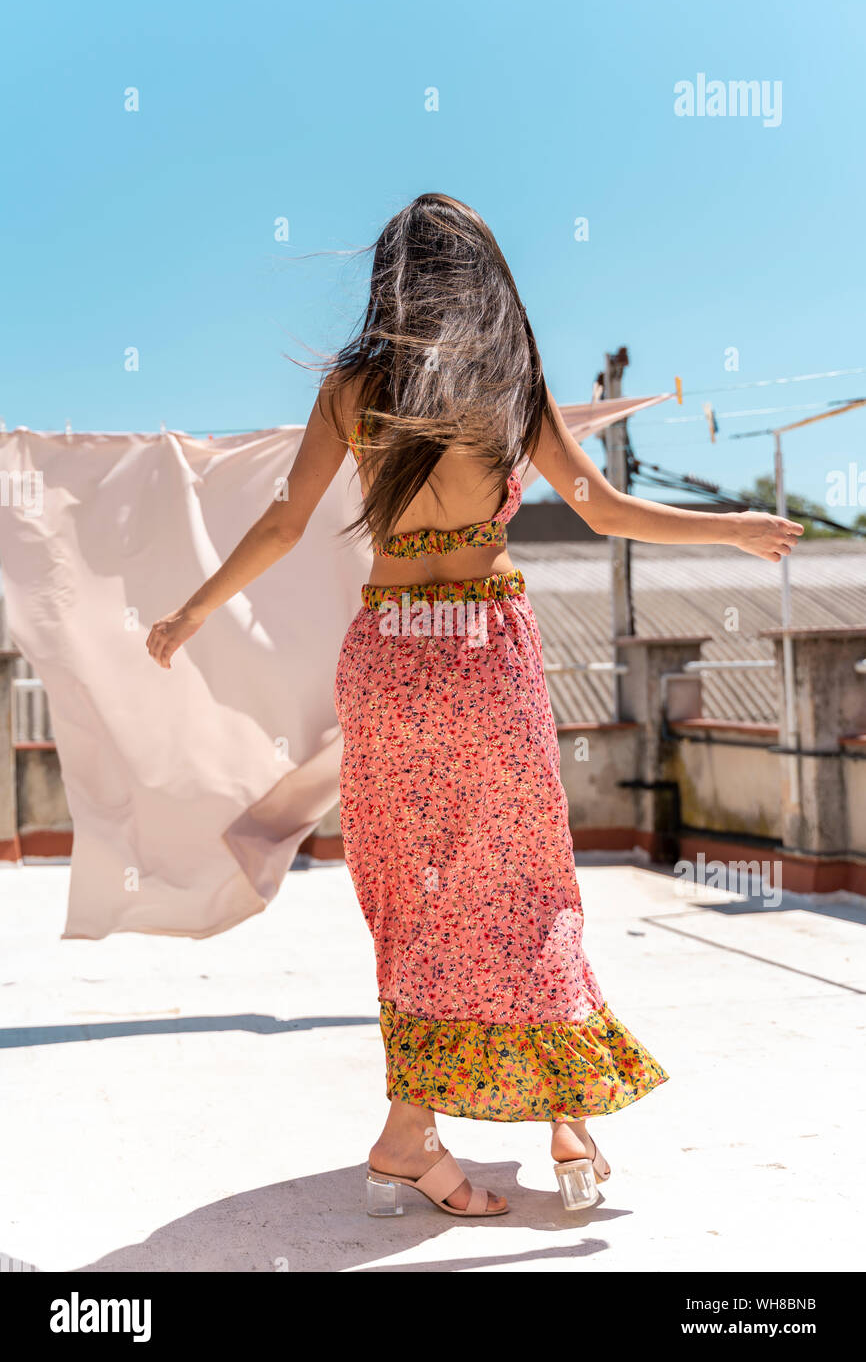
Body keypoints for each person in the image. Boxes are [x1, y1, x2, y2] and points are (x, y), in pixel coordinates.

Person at [146, 193, 803, 1218]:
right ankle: (562, 1118)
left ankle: (414, 1134)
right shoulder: (508, 383)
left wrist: (188, 614)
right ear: (484, 276)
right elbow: (603, 509)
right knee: (525, 877)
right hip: (484, 649)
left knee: (413, 890)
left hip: (391, 660)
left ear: (393, 280)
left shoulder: (355, 387)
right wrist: (729, 530)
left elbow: (282, 524)